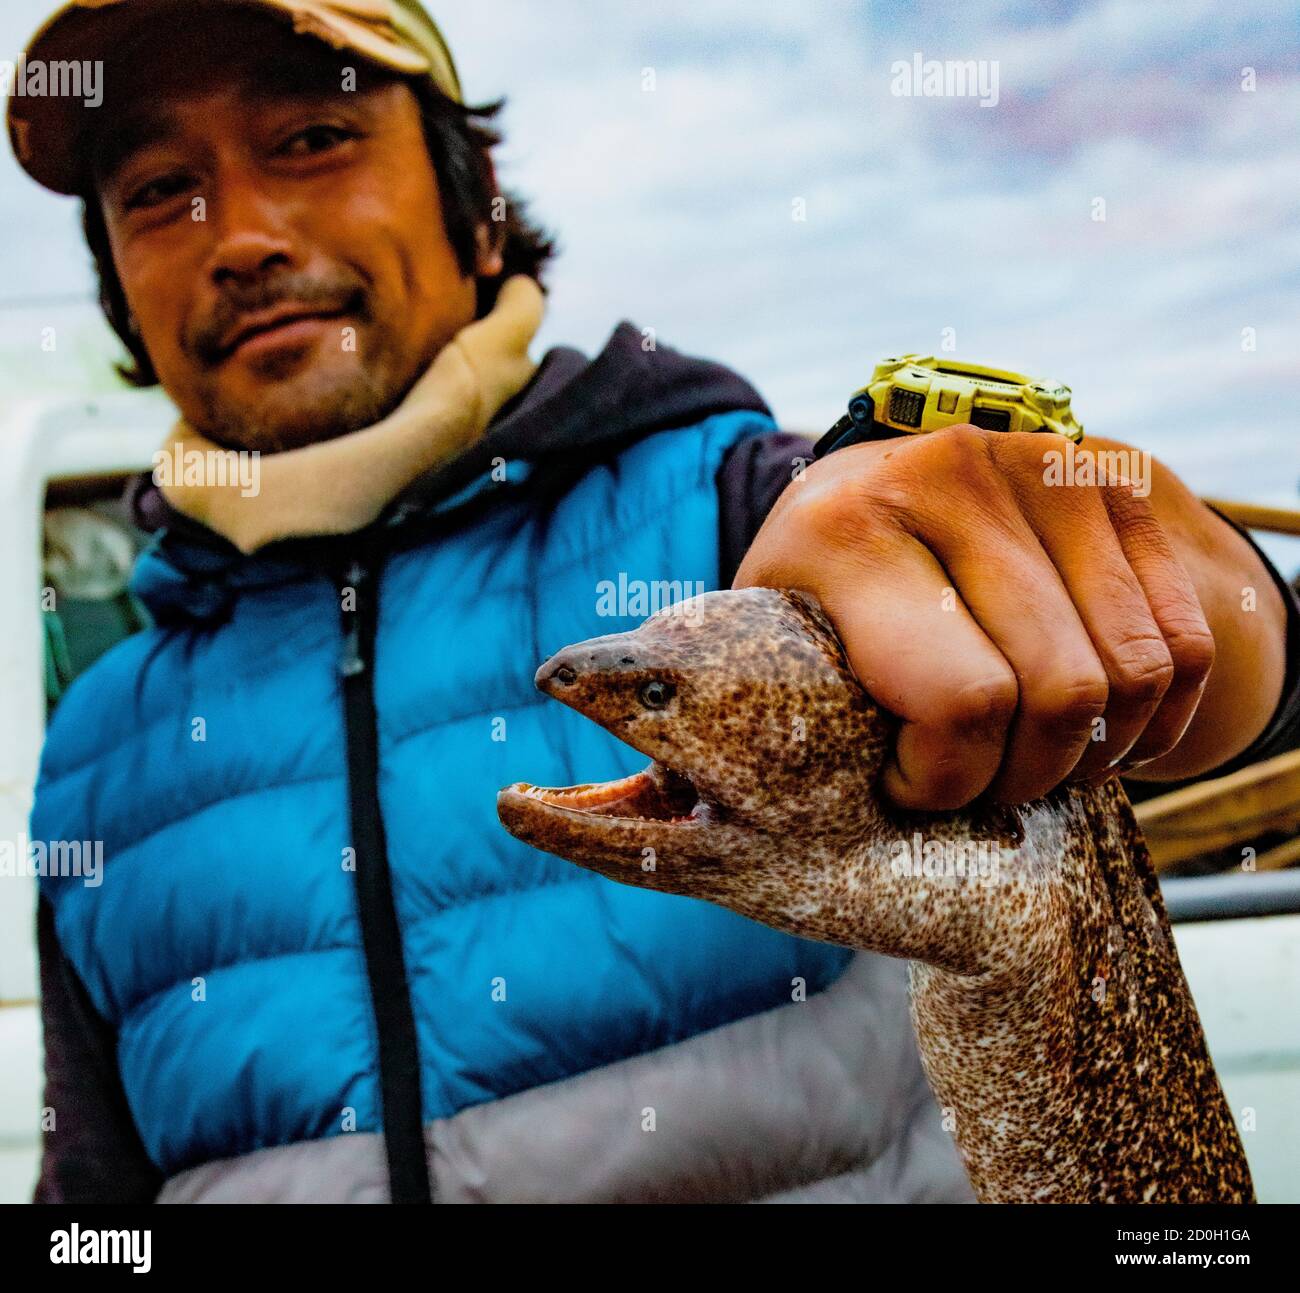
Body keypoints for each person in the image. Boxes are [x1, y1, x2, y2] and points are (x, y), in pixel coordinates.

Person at [9, 0, 1297, 1204]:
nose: (238, 237)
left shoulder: (750, 520)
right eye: (158, 190)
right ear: (120, 284)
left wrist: (1188, 589)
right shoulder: (96, 754)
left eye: (313, 137)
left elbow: (1240, 666)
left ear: (478, 207)